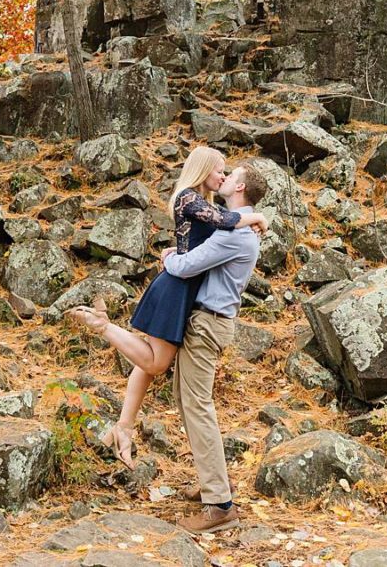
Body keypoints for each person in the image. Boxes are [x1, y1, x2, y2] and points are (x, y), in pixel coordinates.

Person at [67, 147, 266, 467]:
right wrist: (255, 217)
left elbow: (203, 242)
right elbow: (222, 222)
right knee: (156, 363)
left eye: (226, 172)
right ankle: (102, 325)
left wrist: (176, 250)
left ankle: (123, 428)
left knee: (149, 361)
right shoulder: (190, 197)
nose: (222, 176)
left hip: (186, 288)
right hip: (177, 285)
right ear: (203, 169)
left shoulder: (206, 202)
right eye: (219, 170)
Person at [159, 159, 266, 534]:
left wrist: (169, 257)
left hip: (207, 324)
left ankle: (219, 505)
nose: (224, 177)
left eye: (231, 175)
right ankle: (210, 484)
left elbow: (187, 266)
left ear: (240, 188)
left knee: (198, 408)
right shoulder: (236, 223)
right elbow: (218, 217)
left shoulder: (234, 233)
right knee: (187, 402)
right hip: (210, 322)